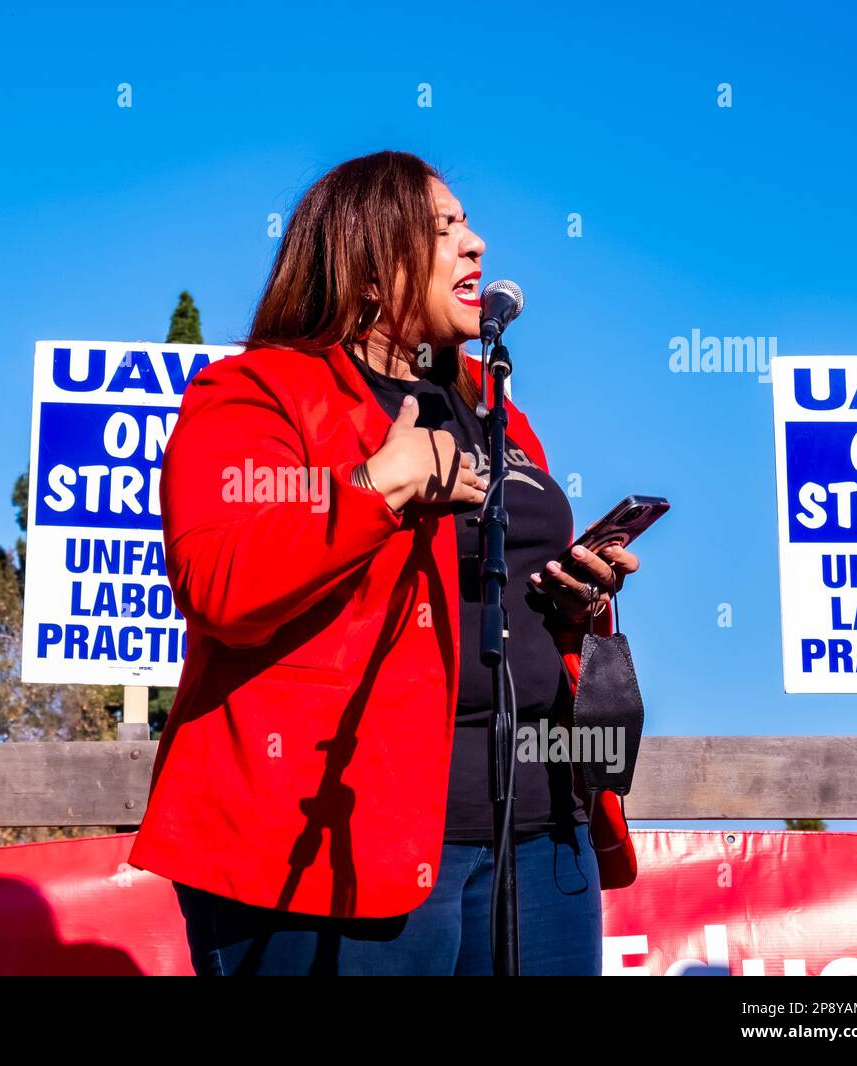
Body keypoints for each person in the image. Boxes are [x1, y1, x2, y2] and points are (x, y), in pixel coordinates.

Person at [128, 150, 641, 976]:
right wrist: (374, 485)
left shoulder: (496, 408)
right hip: (336, 847)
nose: (476, 244)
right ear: (367, 268)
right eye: (444, 228)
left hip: (540, 832)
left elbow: (489, 593)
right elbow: (220, 585)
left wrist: (576, 598)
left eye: (470, 224)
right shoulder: (256, 393)